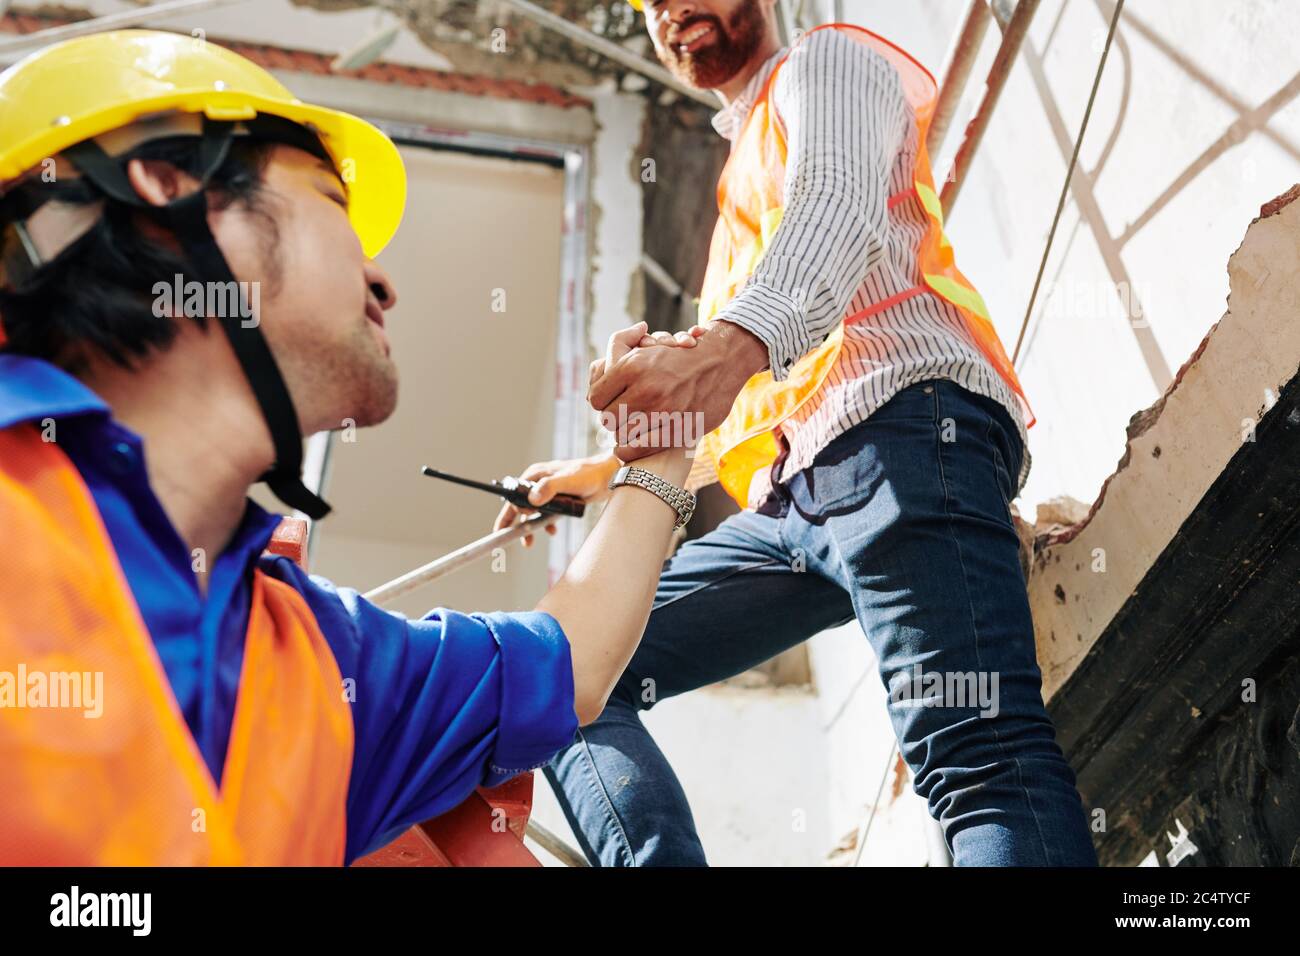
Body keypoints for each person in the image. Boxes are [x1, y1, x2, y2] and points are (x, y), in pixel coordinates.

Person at [0, 29, 696, 865]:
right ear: (170, 185)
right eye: (334, 204)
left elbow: (568, 669)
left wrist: (661, 451)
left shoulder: (318, 664)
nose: (383, 280)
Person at [496, 0, 1099, 865]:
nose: (671, 10)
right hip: (802, 501)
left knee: (978, 758)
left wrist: (724, 348)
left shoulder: (830, 63)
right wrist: (601, 471)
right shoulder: (742, 173)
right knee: (562, 676)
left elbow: (838, 207)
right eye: (651, 2)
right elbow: (767, 390)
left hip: (905, 426)